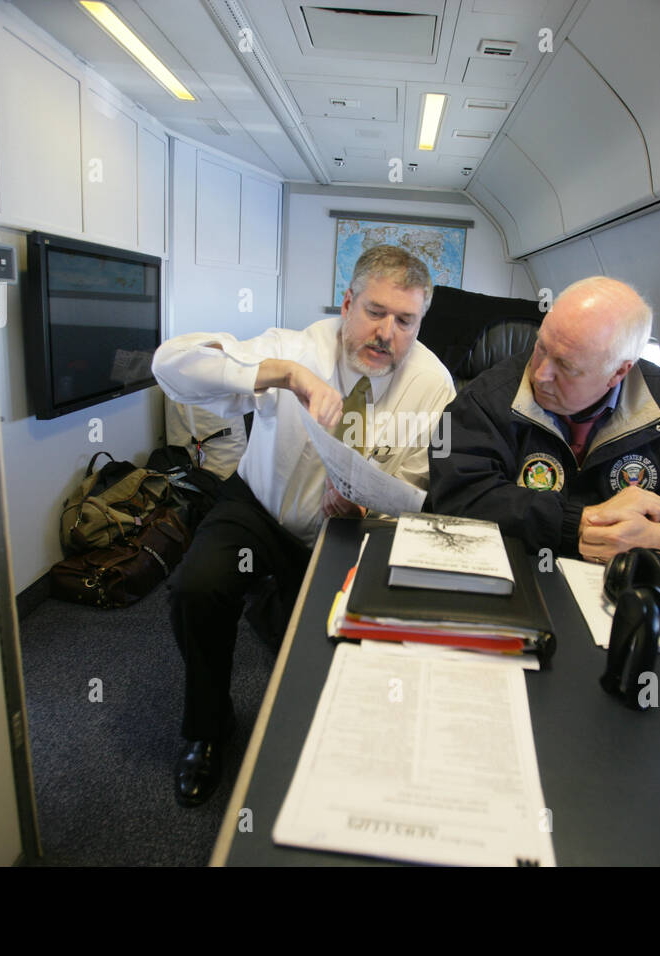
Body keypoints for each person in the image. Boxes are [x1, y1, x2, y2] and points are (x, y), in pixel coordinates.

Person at [151, 245, 456, 807]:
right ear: (347, 302)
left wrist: (365, 507)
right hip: (260, 506)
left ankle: (314, 738)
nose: (387, 332)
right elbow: (170, 365)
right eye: (374, 311)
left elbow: (414, 481)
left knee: (328, 647)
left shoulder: (433, 383)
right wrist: (286, 376)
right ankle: (206, 728)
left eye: (405, 320)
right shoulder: (297, 347)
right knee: (197, 588)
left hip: (343, 531)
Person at [426, 276, 660, 568]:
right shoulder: (487, 398)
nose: (540, 375)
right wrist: (579, 523)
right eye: (541, 347)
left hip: (631, 584)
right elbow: (460, 497)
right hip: (527, 577)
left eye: (566, 366)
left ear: (618, 372)